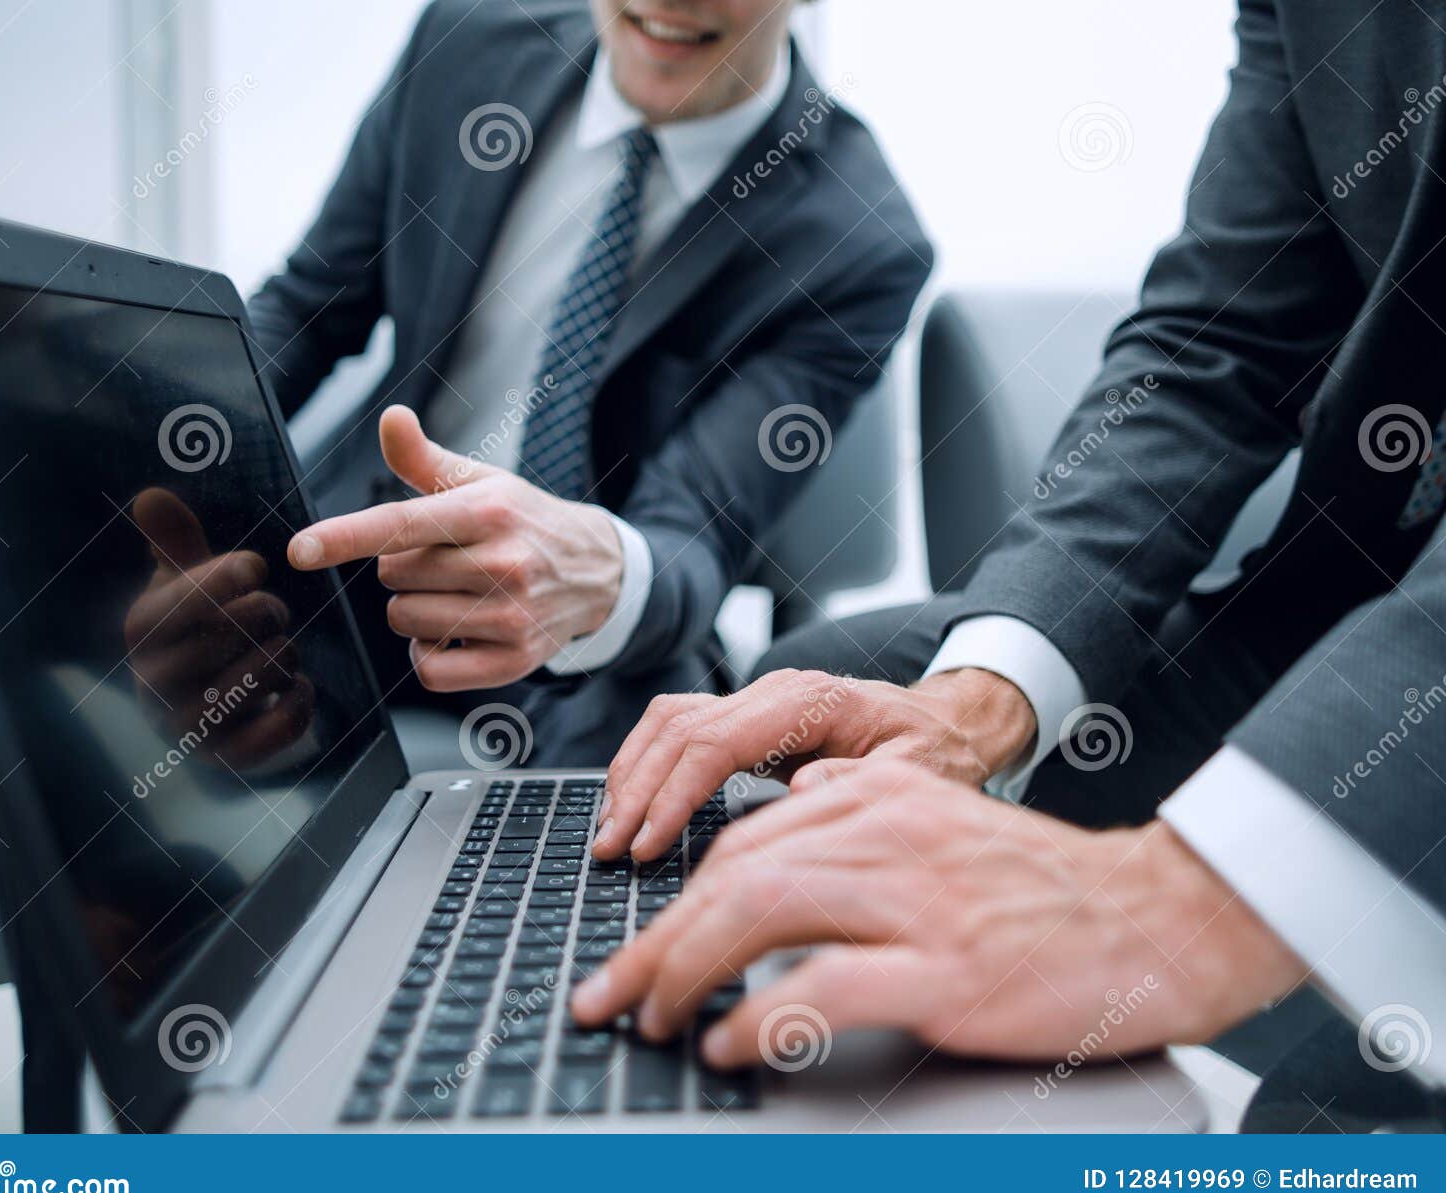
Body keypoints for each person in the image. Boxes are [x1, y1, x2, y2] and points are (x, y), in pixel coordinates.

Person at [575, 0, 1446, 1129]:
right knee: (831, 713)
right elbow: (1217, 344)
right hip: (1354, 603)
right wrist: (971, 706)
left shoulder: (846, 212)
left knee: (1321, 1135)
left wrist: (1179, 899)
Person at [251, 0, 929, 763]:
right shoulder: (465, 42)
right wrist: (184, 445)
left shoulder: (860, 242)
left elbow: (695, 527)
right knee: (174, 659)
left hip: (584, 628)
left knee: (647, 777)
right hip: (368, 549)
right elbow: (308, 310)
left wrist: (602, 571)